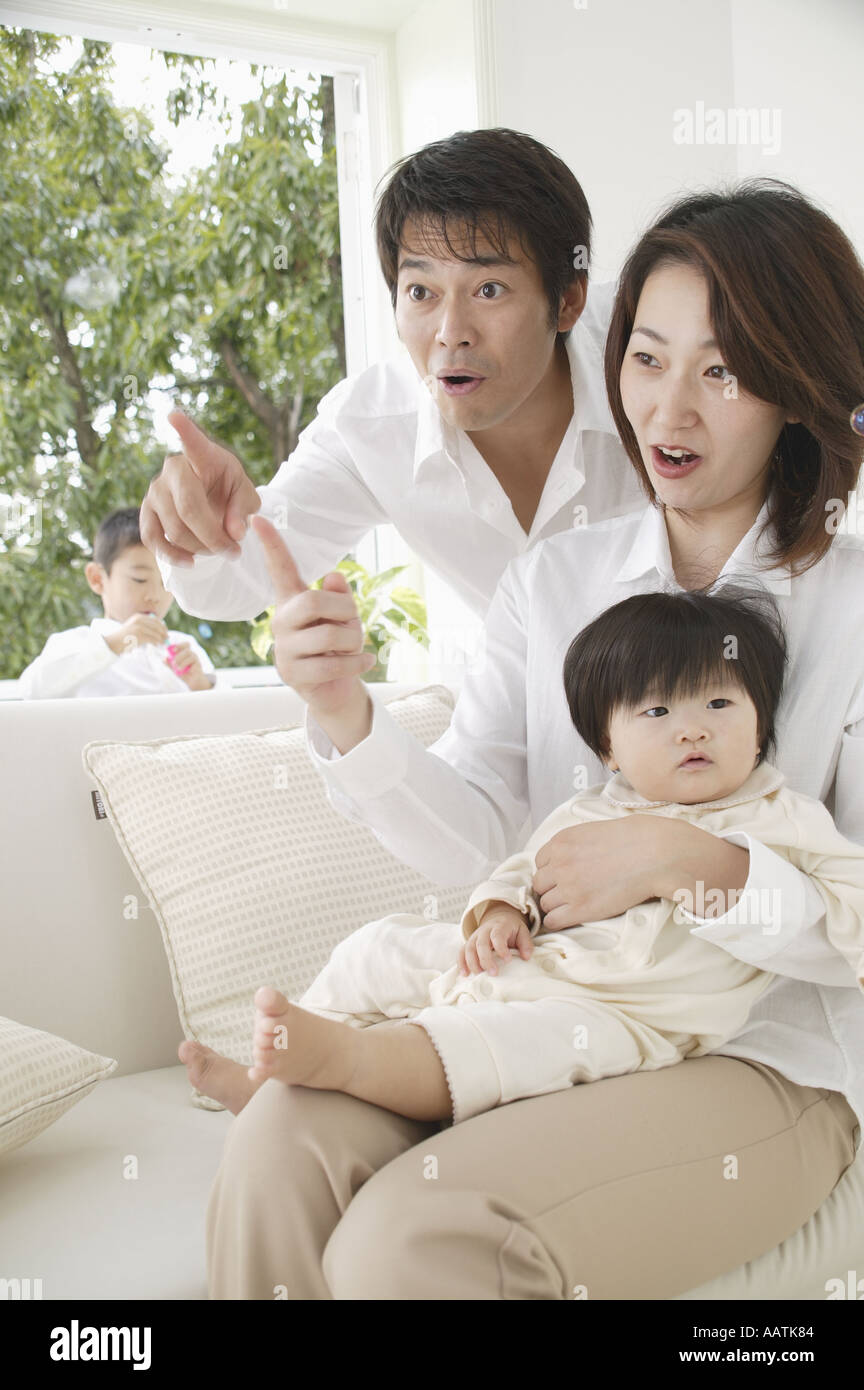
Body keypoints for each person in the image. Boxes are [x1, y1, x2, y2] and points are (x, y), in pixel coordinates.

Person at [202, 179, 864, 1301]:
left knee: (412, 1237)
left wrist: (691, 862)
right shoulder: (555, 581)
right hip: (550, 1005)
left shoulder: (849, 608)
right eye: (648, 360)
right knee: (280, 1144)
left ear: (798, 386)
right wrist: (345, 715)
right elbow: (484, 840)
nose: (671, 411)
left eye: (724, 369)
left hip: (765, 1050)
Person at [234, 586, 864, 1130]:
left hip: (624, 1020)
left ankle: (350, 1060)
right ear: (608, 748)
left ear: (761, 727)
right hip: (527, 965)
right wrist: (501, 916)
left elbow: (851, 895)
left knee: (504, 1044)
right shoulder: (590, 810)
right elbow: (521, 872)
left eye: (720, 704)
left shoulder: (781, 814)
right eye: (657, 710)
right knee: (377, 947)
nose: (692, 729)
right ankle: (263, 1082)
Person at [140, 127, 646, 625]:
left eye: (489, 289)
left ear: (567, 300)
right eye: (421, 292)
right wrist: (201, 528)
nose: (451, 335)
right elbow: (239, 580)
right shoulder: (372, 427)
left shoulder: (650, 347)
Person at [18, 507, 216, 698]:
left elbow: (221, 712)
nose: (155, 595)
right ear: (97, 578)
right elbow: (31, 691)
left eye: (167, 583)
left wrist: (200, 685)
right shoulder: (74, 644)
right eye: (139, 579)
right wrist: (115, 644)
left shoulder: (185, 646)